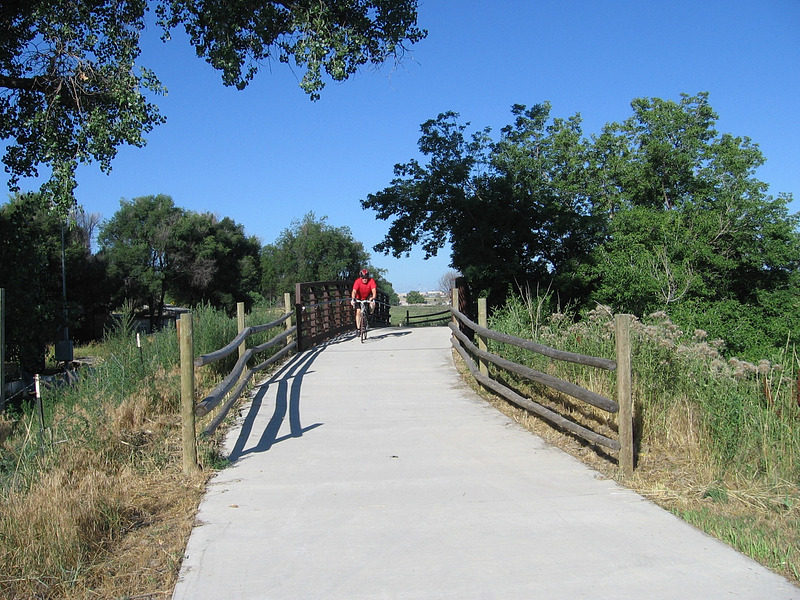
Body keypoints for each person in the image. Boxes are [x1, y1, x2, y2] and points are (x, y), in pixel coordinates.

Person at [351, 268, 377, 333]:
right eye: (363, 278)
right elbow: (354, 291)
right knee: (358, 312)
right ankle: (358, 328)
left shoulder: (371, 281)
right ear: (360, 277)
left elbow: (374, 291)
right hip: (359, 297)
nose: (365, 279)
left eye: (366, 278)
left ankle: (370, 314)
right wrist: (353, 299)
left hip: (368, 296)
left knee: (372, 304)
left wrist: (373, 299)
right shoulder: (357, 281)